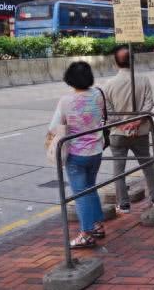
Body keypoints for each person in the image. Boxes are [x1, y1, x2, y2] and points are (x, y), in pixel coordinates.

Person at [49, 62, 106, 249]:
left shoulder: (66, 101)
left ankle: (86, 233)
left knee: (81, 195)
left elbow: (53, 127)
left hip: (76, 154)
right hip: (96, 151)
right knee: (91, 188)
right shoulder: (98, 94)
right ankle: (97, 225)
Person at [103, 45, 154, 215]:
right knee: (148, 164)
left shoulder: (109, 84)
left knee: (118, 169)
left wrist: (122, 125)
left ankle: (124, 204)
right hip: (141, 131)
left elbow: (108, 110)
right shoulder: (144, 80)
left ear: (115, 61)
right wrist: (135, 122)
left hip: (118, 133)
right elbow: (149, 104)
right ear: (133, 60)